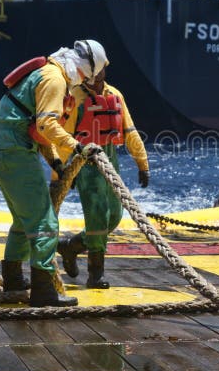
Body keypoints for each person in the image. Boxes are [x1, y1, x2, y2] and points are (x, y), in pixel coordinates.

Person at [0, 40, 107, 307]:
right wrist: (76, 146)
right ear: (87, 70)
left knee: (22, 219)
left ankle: (13, 280)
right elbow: (46, 124)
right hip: (14, 150)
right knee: (45, 222)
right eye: (90, 76)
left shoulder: (48, 72)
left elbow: (35, 126)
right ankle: (44, 290)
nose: (86, 82)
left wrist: (56, 163)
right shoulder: (55, 79)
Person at [43, 42, 149, 289]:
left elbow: (130, 131)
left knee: (114, 217)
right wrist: (60, 173)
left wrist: (142, 163)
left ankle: (70, 247)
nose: (99, 73)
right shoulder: (75, 98)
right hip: (86, 162)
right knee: (97, 215)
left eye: (101, 69)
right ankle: (95, 274)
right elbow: (63, 139)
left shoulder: (115, 95)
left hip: (109, 159)